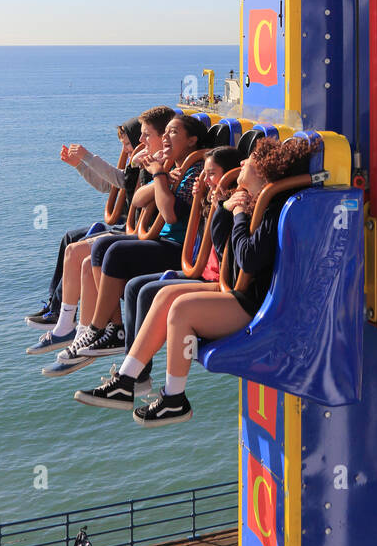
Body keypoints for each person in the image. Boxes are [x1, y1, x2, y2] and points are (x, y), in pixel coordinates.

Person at [73, 135, 316, 423]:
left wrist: (237, 214)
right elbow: (224, 245)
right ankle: (125, 381)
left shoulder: (273, 209)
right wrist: (226, 209)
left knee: (181, 310)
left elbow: (249, 259)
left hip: (254, 304)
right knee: (164, 296)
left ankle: (174, 398)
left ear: (263, 171)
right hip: (235, 290)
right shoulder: (254, 202)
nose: (241, 163)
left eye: (248, 161)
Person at [51, 112, 209, 366]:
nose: (166, 138)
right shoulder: (171, 166)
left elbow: (168, 213)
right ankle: (94, 327)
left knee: (109, 251)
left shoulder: (192, 170)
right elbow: (135, 199)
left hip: (177, 249)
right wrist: (159, 175)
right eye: (165, 132)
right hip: (160, 239)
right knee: (96, 247)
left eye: (173, 133)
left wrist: (158, 174)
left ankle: (98, 328)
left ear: (191, 141)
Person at [24, 109, 173, 328]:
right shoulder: (142, 161)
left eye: (128, 143)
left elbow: (121, 181)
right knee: (70, 238)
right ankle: (56, 306)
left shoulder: (150, 164)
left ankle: (76, 319)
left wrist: (88, 157)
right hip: (130, 226)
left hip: (134, 229)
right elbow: (107, 185)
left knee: (85, 249)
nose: (127, 149)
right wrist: (80, 166)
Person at [118, 145, 240, 385]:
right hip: (201, 269)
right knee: (135, 288)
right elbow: (137, 200)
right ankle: (133, 371)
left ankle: (138, 376)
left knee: (151, 291)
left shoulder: (235, 206)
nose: (204, 180)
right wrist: (204, 200)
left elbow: (219, 244)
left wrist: (219, 207)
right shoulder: (210, 198)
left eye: (211, 174)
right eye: (203, 174)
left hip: (216, 279)